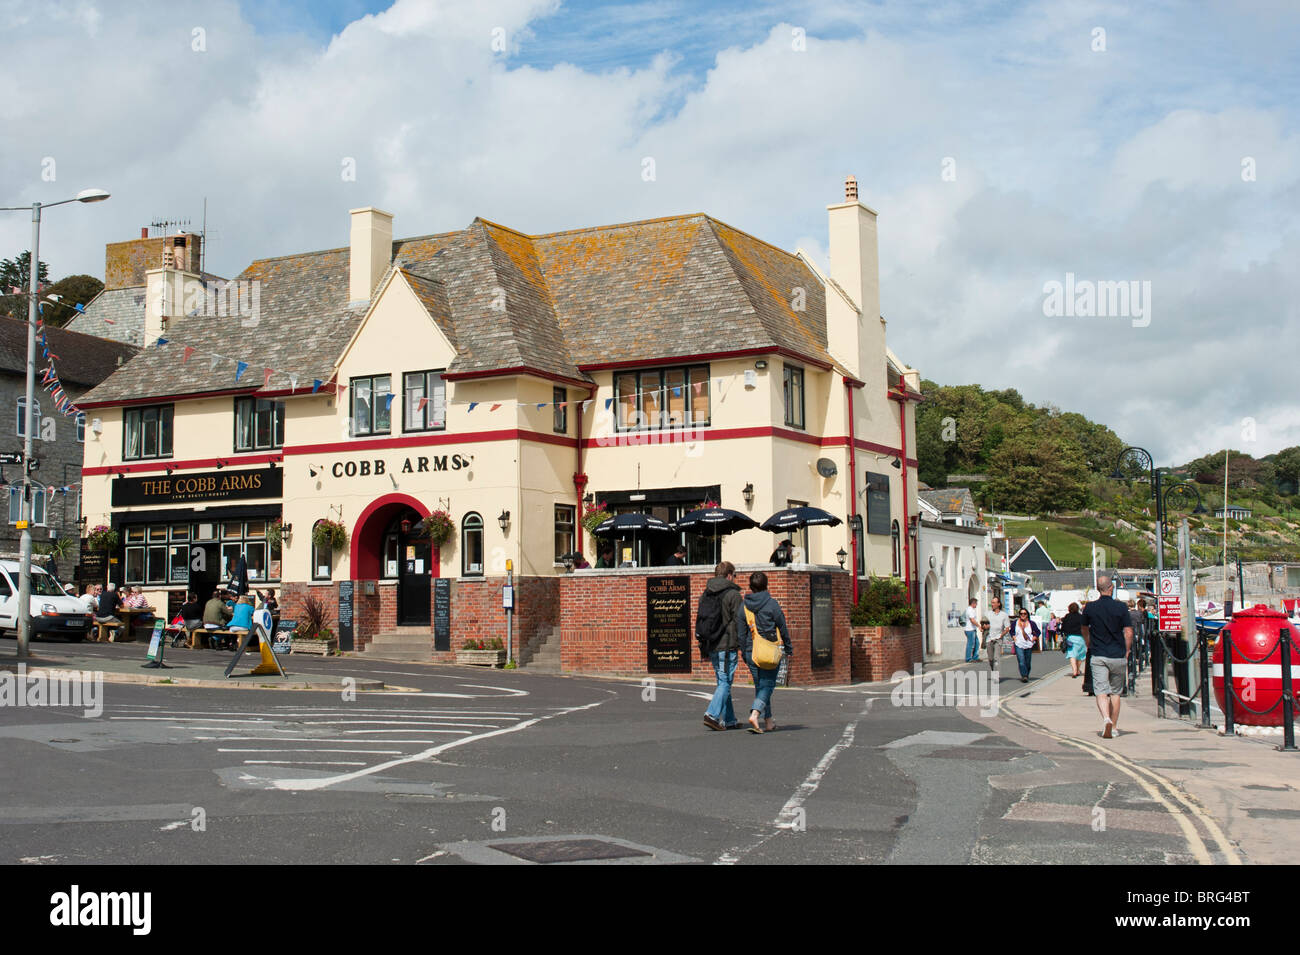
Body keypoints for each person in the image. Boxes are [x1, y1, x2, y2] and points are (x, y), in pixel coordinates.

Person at [1082, 574, 1134, 739]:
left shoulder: (1090, 608)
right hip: (1117, 654)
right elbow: (1129, 631)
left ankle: (1105, 719)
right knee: (1116, 693)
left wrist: (1088, 641)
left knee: (1101, 691)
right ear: (1110, 588)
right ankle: (1115, 726)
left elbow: (1084, 628)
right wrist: (1127, 650)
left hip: (1098, 654)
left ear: (1098, 589)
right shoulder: (1121, 608)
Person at [739, 571, 792, 733]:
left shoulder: (744, 606)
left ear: (750, 587)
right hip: (768, 651)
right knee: (767, 686)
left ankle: (768, 722)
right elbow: (782, 627)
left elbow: (741, 633)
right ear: (766, 585)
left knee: (760, 686)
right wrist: (788, 647)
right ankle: (755, 714)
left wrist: (744, 653)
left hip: (751, 651)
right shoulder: (772, 604)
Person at [698, 561, 744, 731]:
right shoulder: (733, 595)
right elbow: (740, 621)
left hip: (712, 643)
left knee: (723, 681)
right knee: (725, 682)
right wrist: (744, 644)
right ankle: (712, 714)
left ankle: (730, 719)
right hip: (727, 644)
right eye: (735, 575)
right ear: (729, 575)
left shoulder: (706, 593)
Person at [1012, 608, 1039, 682]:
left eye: (1024, 614)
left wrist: (1034, 638)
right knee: (1021, 661)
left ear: (1027, 615)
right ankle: (1024, 676)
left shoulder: (1031, 623)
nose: (1023, 615)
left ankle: (1026, 674)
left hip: (1028, 644)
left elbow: (1037, 632)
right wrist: (1014, 637)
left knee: (1027, 662)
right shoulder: (1015, 623)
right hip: (1018, 644)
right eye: (1021, 613)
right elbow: (1011, 631)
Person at [1061, 601, 1087, 677]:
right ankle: (1078, 670)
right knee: (1080, 655)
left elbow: (1063, 627)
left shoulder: (1067, 616)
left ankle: (1074, 670)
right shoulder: (1081, 617)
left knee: (1072, 655)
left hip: (1071, 638)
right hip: (1081, 638)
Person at [985, 595, 1010, 672]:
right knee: (991, 659)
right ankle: (993, 669)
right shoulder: (987, 614)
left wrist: (1001, 635)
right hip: (989, 639)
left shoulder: (1004, 615)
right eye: (992, 603)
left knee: (997, 658)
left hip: (998, 639)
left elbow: (1007, 628)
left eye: (994, 603)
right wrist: (985, 627)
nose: (992, 604)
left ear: (998, 604)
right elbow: (983, 625)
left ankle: (996, 676)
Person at [963, 598, 980, 663]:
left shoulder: (971, 610)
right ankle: (968, 658)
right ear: (973, 603)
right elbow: (972, 620)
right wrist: (979, 626)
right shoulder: (970, 610)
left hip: (972, 629)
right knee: (970, 644)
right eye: (976, 603)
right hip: (969, 629)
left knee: (977, 643)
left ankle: (975, 657)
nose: (976, 605)